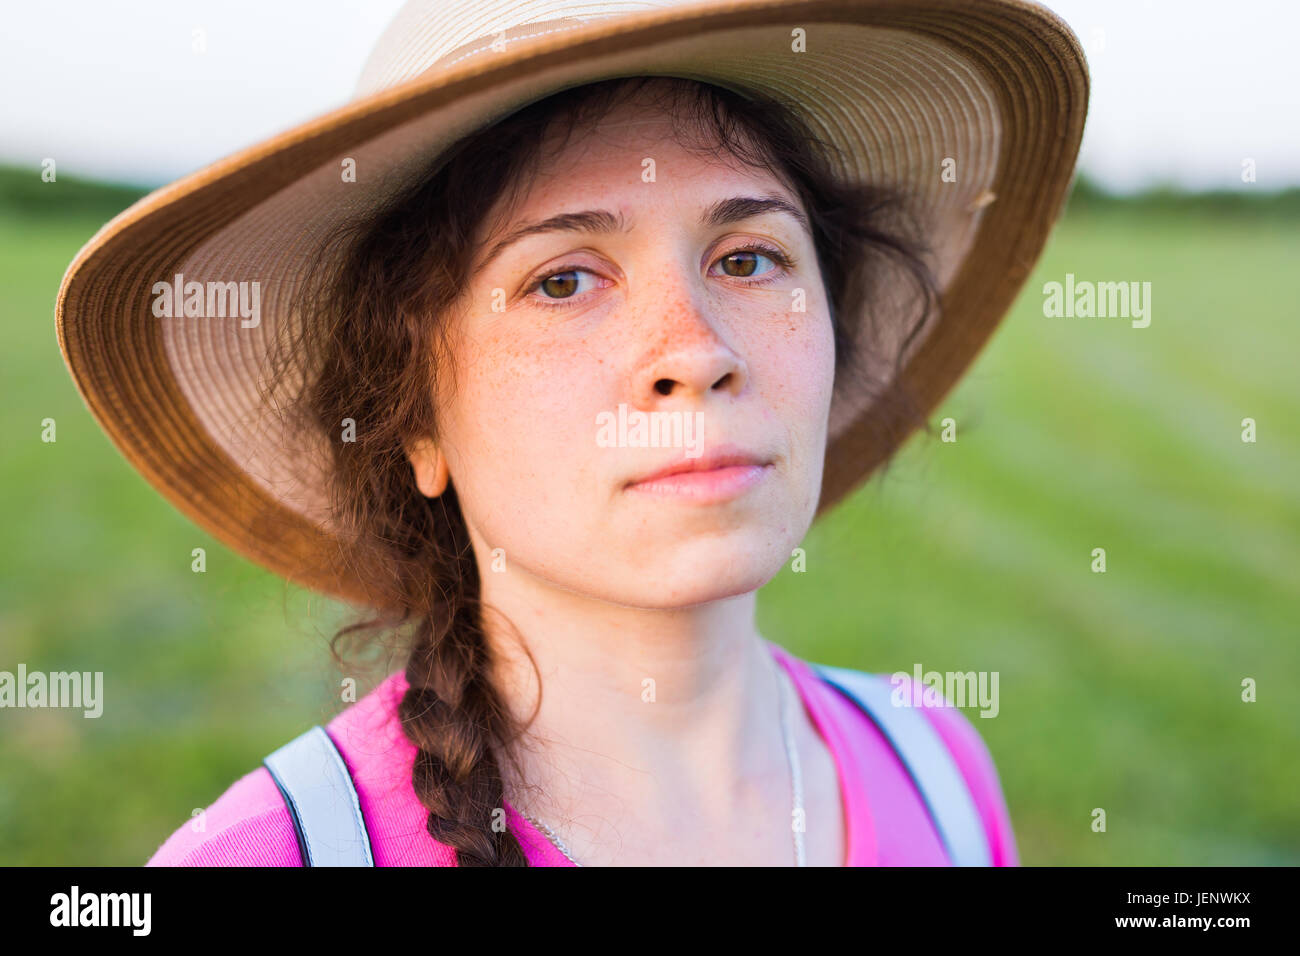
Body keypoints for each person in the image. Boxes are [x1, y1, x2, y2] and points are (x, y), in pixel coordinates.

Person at [55, 0, 1088, 866]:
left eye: (747, 257)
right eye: (561, 280)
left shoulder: (935, 769)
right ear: (413, 421)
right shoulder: (267, 855)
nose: (695, 350)